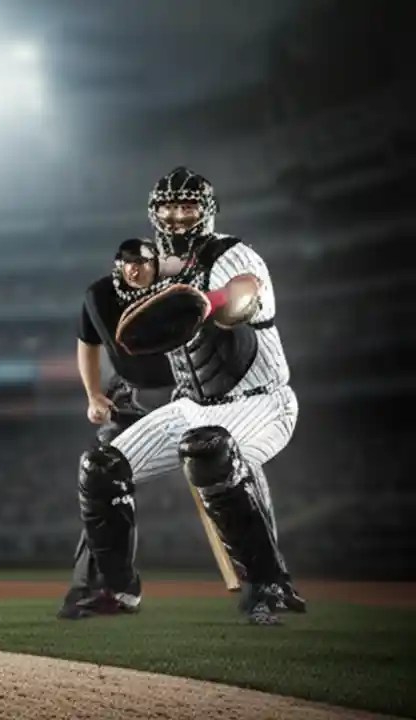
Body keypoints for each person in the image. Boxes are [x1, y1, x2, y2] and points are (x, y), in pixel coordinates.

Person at [74, 167, 305, 625]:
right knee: (101, 469)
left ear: (207, 211)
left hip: (260, 400)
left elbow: (245, 295)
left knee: (209, 451)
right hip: (194, 406)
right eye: (167, 207)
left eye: (187, 207)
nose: (177, 217)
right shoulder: (156, 270)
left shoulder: (233, 254)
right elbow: (114, 316)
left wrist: (209, 304)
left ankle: (269, 583)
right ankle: (119, 590)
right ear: (153, 213)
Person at [58, 239, 176, 619]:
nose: (137, 269)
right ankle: (102, 588)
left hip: (184, 394)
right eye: (129, 262)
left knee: (225, 472)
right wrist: (93, 394)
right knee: (100, 474)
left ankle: (266, 583)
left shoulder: (179, 290)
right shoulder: (99, 296)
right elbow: (87, 344)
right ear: (118, 266)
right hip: (130, 396)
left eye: (144, 262)